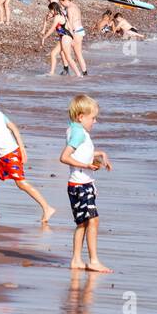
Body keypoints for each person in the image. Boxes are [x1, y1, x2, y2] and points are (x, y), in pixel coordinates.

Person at [0, 84, 56, 222]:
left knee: (21, 183)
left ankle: (47, 208)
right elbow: (14, 128)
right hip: (6, 153)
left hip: (9, 155)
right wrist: (21, 148)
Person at [59, 94, 112, 272]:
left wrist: (100, 154)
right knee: (93, 221)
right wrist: (87, 165)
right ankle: (94, 261)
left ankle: (76, 259)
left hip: (78, 184)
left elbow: (81, 151)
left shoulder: (75, 130)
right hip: (81, 185)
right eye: (93, 118)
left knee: (82, 223)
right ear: (81, 117)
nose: (95, 121)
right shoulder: (79, 133)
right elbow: (64, 157)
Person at [41, 2, 80, 76]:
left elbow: (52, 29)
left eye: (50, 10)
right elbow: (69, 27)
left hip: (65, 37)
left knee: (68, 57)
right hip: (65, 37)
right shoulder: (62, 14)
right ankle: (52, 73)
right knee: (53, 54)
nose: (49, 12)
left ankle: (78, 75)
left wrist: (44, 37)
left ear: (54, 9)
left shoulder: (57, 17)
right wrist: (46, 21)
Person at [56, 0, 89, 75]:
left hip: (75, 31)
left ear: (64, 0)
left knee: (76, 53)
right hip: (80, 30)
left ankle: (80, 73)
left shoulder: (70, 9)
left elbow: (70, 23)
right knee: (76, 54)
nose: (61, 5)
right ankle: (83, 73)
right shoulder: (75, 6)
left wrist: (72, 36)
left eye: (61, 3)